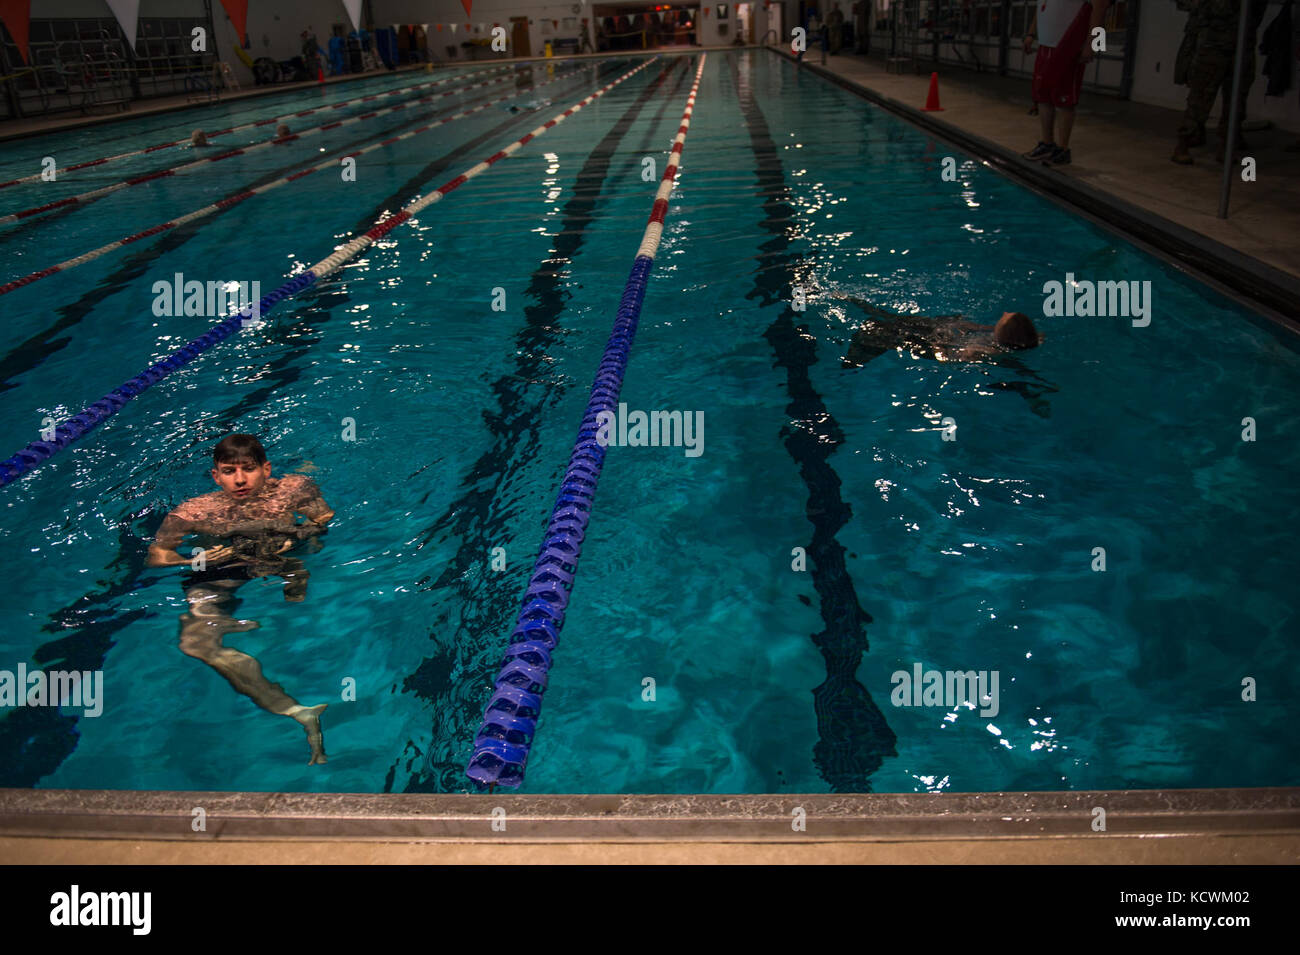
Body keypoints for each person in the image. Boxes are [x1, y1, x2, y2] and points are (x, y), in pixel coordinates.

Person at [146, 434, 335, 765]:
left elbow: (323, 518)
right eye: (229, 471)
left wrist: (302, 536)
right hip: (220, 568)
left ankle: (294, 577)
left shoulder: (294, 489)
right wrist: (192, 561)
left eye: (248, 469)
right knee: (195, 644)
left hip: (279, 556)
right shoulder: (195, 510)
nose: (240, 479)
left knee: (295, 590)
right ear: (215, 476)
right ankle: (297, 711)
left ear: (266, 469)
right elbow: (157, 556)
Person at [837, 298, 1058, 415]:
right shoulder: (1030, 337)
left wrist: (941, 343)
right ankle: (859, 305)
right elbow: (987, 330)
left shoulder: (988, 353)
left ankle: (852, 363)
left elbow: (956, 358)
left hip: (938, 350)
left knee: (877, 330)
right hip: (944, 336)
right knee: (894, 321)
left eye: (1004, 318)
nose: (1002, 313)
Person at [1172, 0, 1268, 164]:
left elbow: (1258, 12)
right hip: (1213, 44)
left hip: (1243, 44)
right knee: (1201, 97)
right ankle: (1184, 142)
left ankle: (1226, 146)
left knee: (1236, 99)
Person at [1022, 0, 1112, 165]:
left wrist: (1093, 44)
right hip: (1046, 44)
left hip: (1068, 45)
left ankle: (1063, 149)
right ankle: (1047, 144)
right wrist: (1031, 34)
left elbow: (1100, 8)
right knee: (1043, 96)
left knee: (1064, 99)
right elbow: (1041, 9)